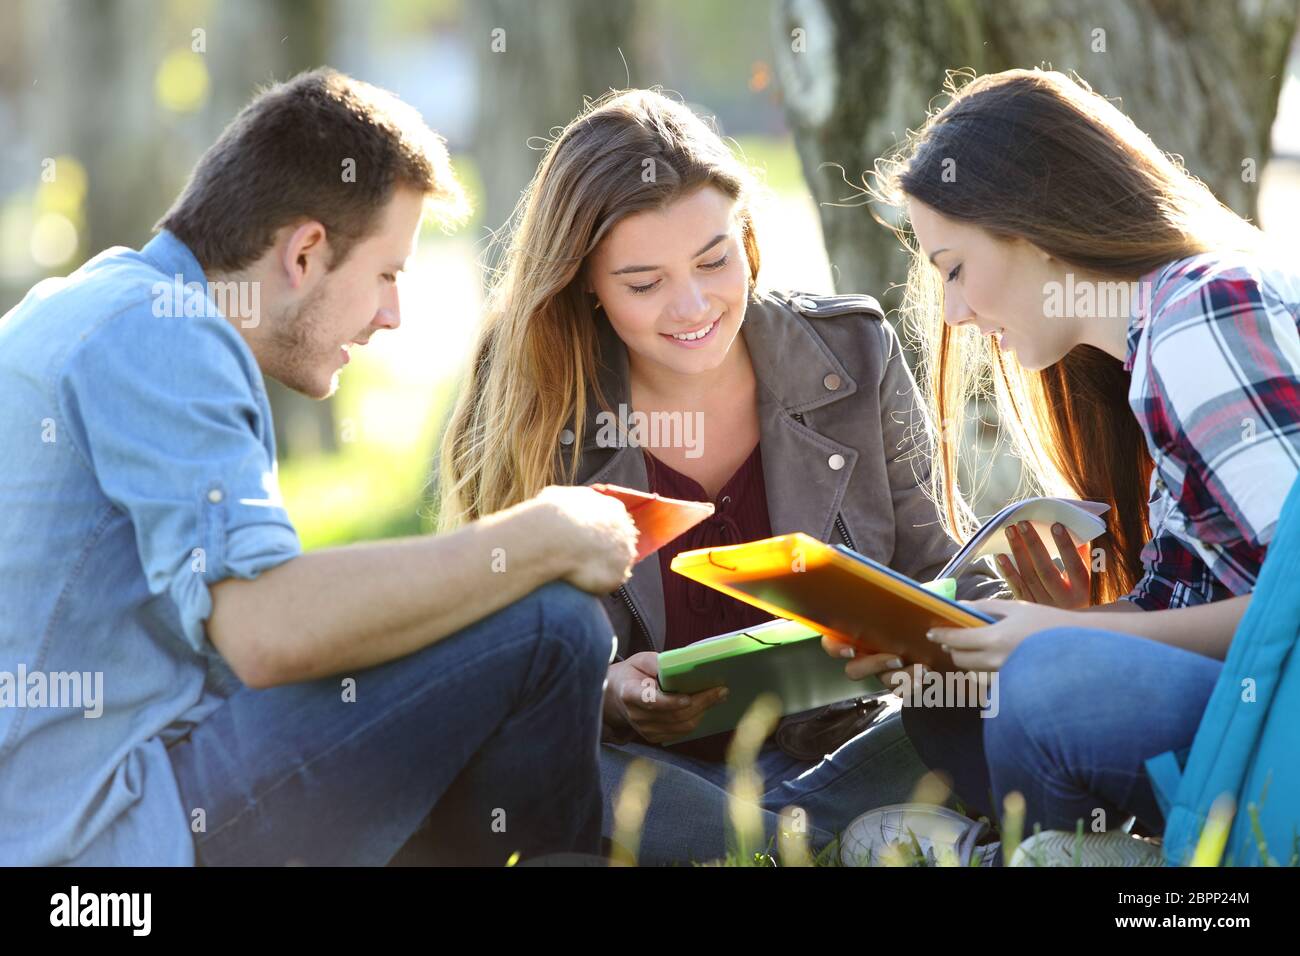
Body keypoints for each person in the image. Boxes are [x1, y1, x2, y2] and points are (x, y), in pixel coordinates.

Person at [0, 68, 640, 866]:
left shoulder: (98, 307)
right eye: (386, 274)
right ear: (305, 253)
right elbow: (268, 632)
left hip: (70, 817)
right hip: (103, 847)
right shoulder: (167, 335)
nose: (391, 314)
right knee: (556, 626)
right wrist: (540, 535)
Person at [437, 88, 1005, 865]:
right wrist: (610, 695)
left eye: (714, 259)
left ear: (746, 236)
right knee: (513, 766)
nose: (694, 304)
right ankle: (811, 844)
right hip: (651, 769)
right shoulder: (534, 409)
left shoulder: (853, 352)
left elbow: (939, 572)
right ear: (587, 288)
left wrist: (953, 631)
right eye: (644, 283)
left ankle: (759, 842)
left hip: (847, 746)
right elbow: (506, 665)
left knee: (1000, 708)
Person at [862, 68, 1300, 845]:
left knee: (1046, 684)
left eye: (954, 269)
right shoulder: (1143, 355)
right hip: (1253, 706)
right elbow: (1213, 598)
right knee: (950, 686)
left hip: (1280, 722)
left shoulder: (1201, 310)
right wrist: (1020, 628)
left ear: (1030, 222)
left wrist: (1067, 642)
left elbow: (1291, 605)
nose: (956, 315)